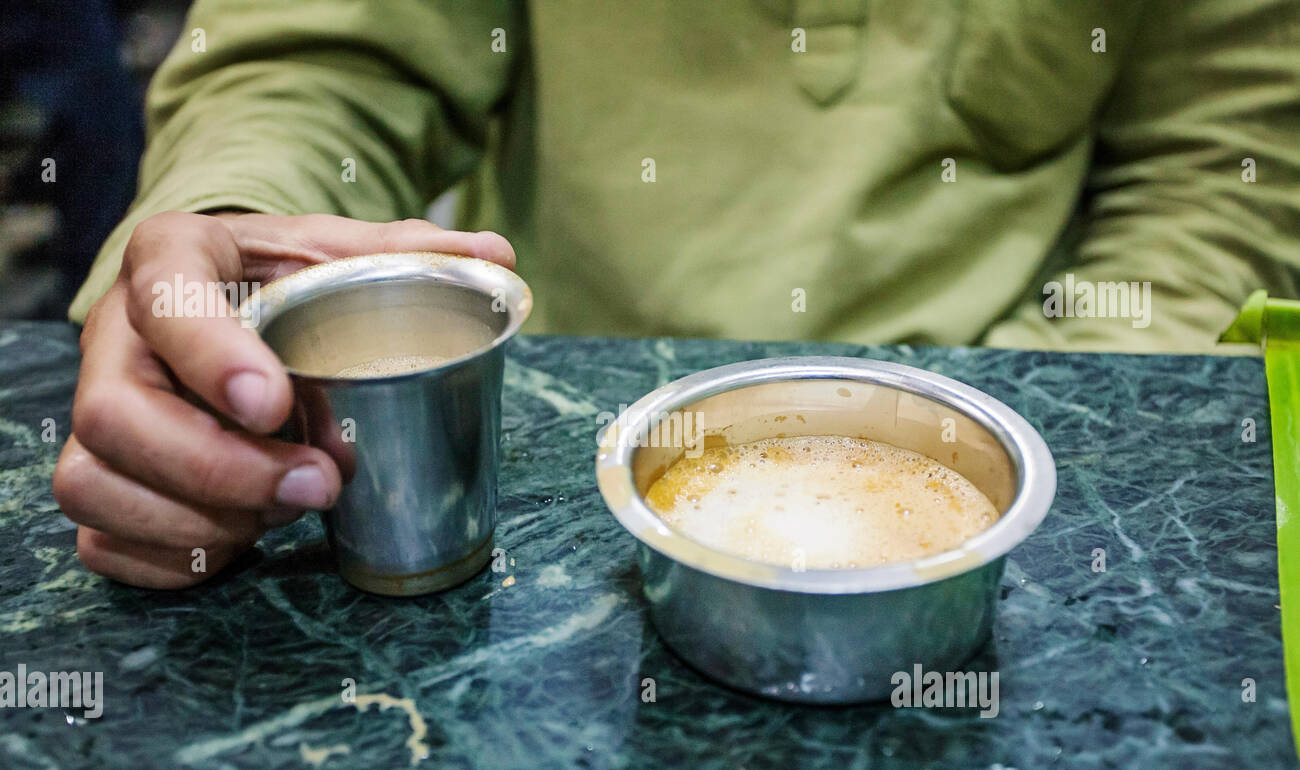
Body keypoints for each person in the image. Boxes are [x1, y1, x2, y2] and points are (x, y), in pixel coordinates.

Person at [54, 0, 1300, 588]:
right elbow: (320, 62)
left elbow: (1220, 181)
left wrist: (988, 454)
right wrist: (225, 233)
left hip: (1011, 462)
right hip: (554, 469)